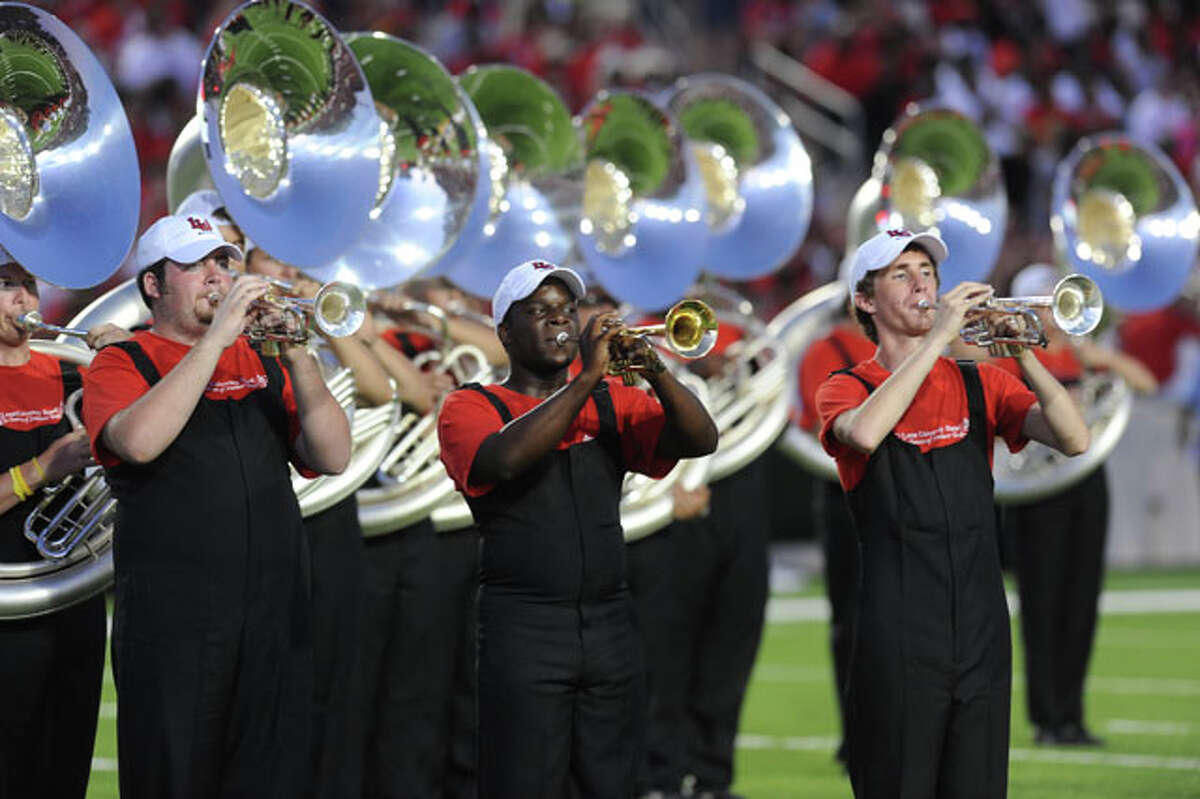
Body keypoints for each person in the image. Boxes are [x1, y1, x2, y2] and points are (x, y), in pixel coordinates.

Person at [81, 214, 352, 798]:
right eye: (197, 265)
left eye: (224, 262)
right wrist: (214, 341)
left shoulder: (263, 358)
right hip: (174, 623)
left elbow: (333, 455)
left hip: (275, 612)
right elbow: (138, 441)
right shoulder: (122, 360)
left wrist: (298, 353)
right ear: (153, 285)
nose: (218, 276)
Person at [815, 229, 1090, 798]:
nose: (924, 284)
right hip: (899, 625)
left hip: (982, 623)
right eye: (902, 274)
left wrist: (1025, 357)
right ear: (864, 301)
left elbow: (1074, 437)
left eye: (929, 273)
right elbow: (865, 434)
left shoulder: (981, 380)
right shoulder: (845, 387)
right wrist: (938, 337)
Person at [437, 259, 718, 798]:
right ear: (505, 332)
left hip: (611, 622)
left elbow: (700, 438)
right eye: (538, 312)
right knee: (524, 782)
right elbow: (504, 460)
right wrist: (589, 375)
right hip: (524, 626)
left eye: (566, 309)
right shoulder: (471, 404)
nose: (559, 321)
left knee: (612, 783)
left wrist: (656, 368)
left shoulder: (611, 400)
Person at [242, 244, 393, 799]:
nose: (289, 273)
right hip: (267, 519)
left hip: (327, 516)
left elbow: (381, 391)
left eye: (294, 265)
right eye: (273, 263)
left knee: (332, 682)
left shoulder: (306, 333)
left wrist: (320, 322)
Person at [998, 263, 1158, 747]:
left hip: (1086, 479)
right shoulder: (1014, 358)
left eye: (1057, 303)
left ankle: (1073, 714)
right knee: (1043, 601)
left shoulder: (1085, 355)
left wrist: (1097, 357)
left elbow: (1145, 382)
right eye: (1045, 305)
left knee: (1083, 600)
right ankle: (1047, 718)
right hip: (1036, 487)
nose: (1054, 316)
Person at [0, 254, 121, 798]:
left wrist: (126, 364)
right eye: (5, 286)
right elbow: (43, 470)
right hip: (7, 609)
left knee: (64, 766)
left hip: (74, 597)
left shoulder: (76, 373)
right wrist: (42, 469)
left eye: (28, 284)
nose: (24, 300)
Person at [795, 306, 874, 766]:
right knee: (853, 618)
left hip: (909, 490)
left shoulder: (918, 347)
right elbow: (820, 421)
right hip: (845, 488)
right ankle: (856, 734)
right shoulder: (827, 350)